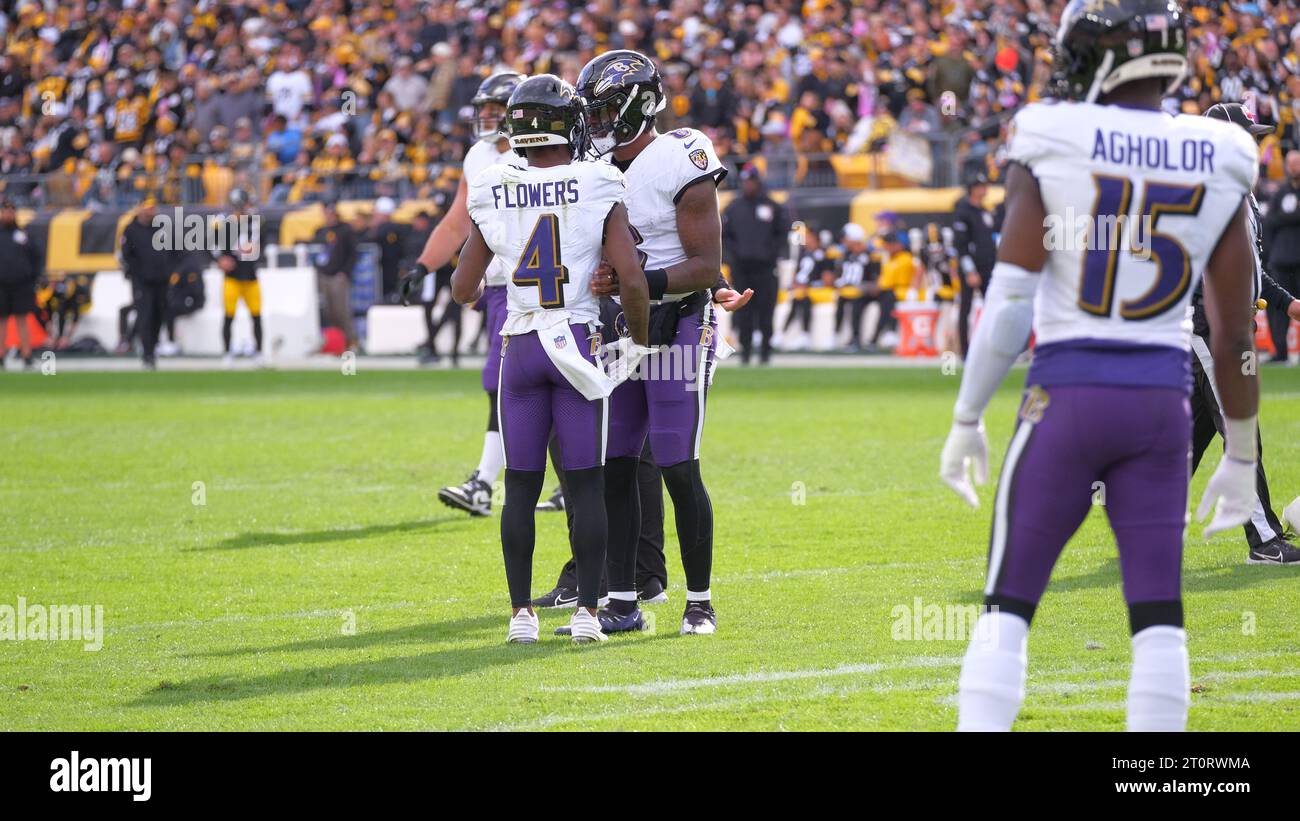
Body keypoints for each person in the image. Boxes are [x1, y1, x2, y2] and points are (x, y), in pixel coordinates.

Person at [939, 0, 1260, 732]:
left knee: (1008, 605)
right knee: (1157, 617)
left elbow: (1012, 301)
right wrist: (1239, 452)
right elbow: (1237, 329)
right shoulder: (1222, 149)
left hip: (1068, 398)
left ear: (1104, 55)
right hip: (1161, 407)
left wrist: (966, 414)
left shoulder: (1053, 132)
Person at [450, 74, 650, 644]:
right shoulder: (598, 180)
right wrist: (636, 342)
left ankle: (520, 616)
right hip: (578, 347)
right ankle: (588, 612)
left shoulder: (493, 183)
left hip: (522, 349)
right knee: (586, 485)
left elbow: (465, 288)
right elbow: (631, 280)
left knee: (520, 486)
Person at [566, 50, 732, 635]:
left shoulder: (680, 154)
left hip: (682, 321)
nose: (601, 120)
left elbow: (707, 266)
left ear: (640, 104)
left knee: (677, 462)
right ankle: (622, 601)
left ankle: (701, 601)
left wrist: (637, 282)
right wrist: (604, 284)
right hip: (624, 325)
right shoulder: (594, 164)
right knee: (616, 462)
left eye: (610, 107)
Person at [398, 71, 526, 517]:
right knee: (517, 385)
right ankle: (556, 478)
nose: (487, 117)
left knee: (508, 384)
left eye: (497, 110)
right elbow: (457, 221)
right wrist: (424, 264)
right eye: (484, 110)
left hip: (529, 285)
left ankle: (484, 484)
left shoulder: (542, 153)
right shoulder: (478, 155)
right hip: (496, 287)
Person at [1190, 102, 1300, 564]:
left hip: (1229, 325)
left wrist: (1288, 304)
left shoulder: (1240, 194)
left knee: (1193, 431)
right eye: (1249, 137)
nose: (1258, 146)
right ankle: (1265, 539)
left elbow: (1253, 271)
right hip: (1211, 327)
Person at [722, 164, 790, 364]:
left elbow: (782, 234)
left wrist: (771, 254)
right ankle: (745, 352)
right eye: (745, 182)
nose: (748, 185)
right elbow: (725, 238)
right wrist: (733, 258)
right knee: (744, 312)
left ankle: (765, 353)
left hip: (766, 268)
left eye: (751, 181)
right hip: (742, 269)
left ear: (758, 182)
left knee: (766, 310)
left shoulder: (772, 207)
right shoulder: (733, 208)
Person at [119, 198, 180, 369]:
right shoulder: (131, 230)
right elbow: (126, 255)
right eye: (148, 209)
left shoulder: (163, 227)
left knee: (158, 316)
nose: (151, 212)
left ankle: (153, 348)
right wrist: (137, 273)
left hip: (161, 281)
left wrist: (169, 271)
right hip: (142, 282)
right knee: (145, 316)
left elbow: (176, 251)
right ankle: (147, 354)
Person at [952, 173, 998, 357]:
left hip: (988, 265)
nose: (984, 189)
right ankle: (964, 349)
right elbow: (961, 246)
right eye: (980, 186)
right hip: (972, 266)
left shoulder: (985, 212)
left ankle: (990, 346)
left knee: (992, 306)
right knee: (966, 307)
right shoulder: (963, 212)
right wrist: (969, 270)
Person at [217, 189, 264, 367]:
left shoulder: (254, 223)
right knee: (229, 316)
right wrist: (219, 259)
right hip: (232, 278)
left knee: (256, 316)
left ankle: (259, 352)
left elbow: (259, 245)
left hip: (250, 277)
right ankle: (227, 352)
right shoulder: (224, 224)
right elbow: (209, 245)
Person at [1263, 151, 1300, 361]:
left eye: (1297, 163)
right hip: (1281, 260)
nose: (1294, 167)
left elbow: (1277, 219)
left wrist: (1285, 217)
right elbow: (1269, 222)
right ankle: (1280, 352)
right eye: (1291, 164)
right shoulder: (1280, 192)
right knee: (1278, 309)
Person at [0, 197, 41, 370]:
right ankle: (1, 356)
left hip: (21, 284)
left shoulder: (23, 235)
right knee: (1, 321)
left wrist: (33, 277)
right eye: (5, 211)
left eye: (11, 211)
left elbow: (36, 258)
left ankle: (26, 355)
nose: (9, 214)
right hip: (1, 285)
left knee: (23, 320)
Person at [314, 201, 358, 352]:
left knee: (341, 310)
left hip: (338, 276)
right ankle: (337, 342)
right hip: (324, 275)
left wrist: (345, 272)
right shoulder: (321, 231)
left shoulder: (345, 230)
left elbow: (353, 254)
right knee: (328, 311)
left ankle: (351, 341)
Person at [832, 223, 883, 351]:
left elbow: (876, 279)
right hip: (850, 290)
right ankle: (836, 334)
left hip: (866, 292)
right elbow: (839, 275)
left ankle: (856, 339)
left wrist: (864, 287)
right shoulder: (846, 255)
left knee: (856, 301)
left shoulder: (871, 255)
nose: (843, 241)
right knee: (841, 299)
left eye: (845, 238)